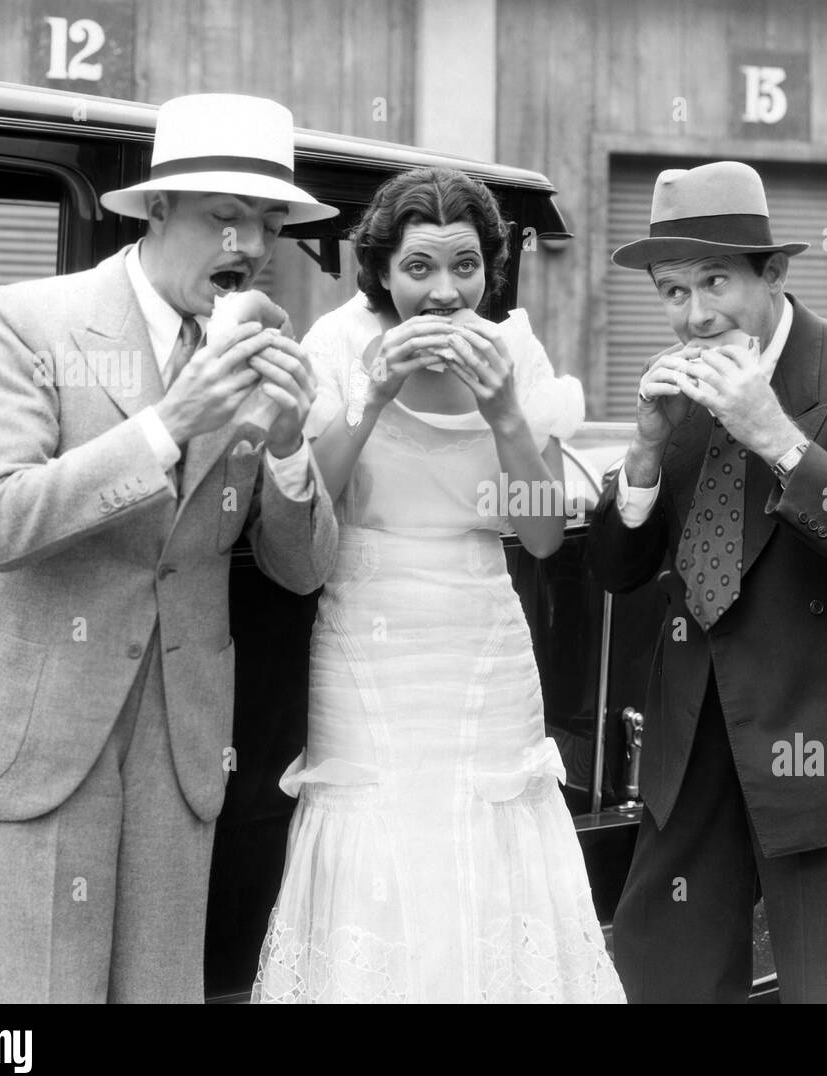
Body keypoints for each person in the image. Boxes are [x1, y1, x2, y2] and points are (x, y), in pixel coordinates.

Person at [0, 94, 340, 1003]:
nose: (250, 245)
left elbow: (301, 568)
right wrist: (166, 424)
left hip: (180, 745)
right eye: (224, 216)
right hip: (32, 734)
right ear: (157, 211)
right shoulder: (31, 318)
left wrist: (290, 443)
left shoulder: (264, 345)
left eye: (267, 223)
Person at [251, 165, 625, 1003]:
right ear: (381, 268)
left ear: (490, 271)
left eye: (466, 267)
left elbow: (539, 532)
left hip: (481, 643)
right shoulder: (337, 346)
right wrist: (375, 389)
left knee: (489, 840)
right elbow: (311, 513)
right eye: (420, 267)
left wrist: (505, 414)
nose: (445, 292)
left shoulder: (515, 352)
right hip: (365, 640)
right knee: (372, 837)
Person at [589, 161, 827, 1003]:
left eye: (716, 280)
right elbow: (615, 569)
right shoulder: (676, 392)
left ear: (775, 274)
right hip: (693, 754)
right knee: (661, 986)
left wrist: (778, 437)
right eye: (673, 290)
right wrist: (642, 453)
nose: (695, 314)